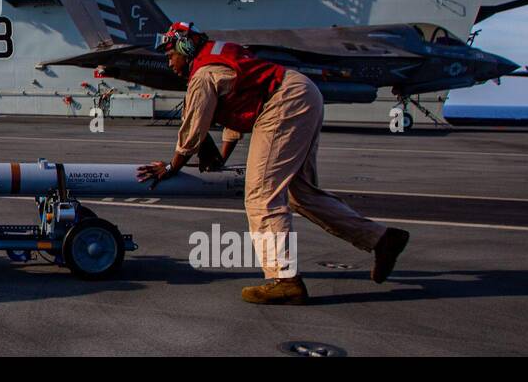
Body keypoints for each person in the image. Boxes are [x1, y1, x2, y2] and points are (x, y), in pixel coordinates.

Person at [137, 22, 409, 304]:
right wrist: (222, 159)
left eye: (170, 55)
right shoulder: (218, 57)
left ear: (184, 48)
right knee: (301, 195)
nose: (169, 63)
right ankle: (381, 239)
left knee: (261, 196)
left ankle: (285, 280)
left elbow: (193, 129)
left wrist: (171, 167)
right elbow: (235, 110)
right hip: (302, 92)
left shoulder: (203, 74)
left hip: (282, 103)